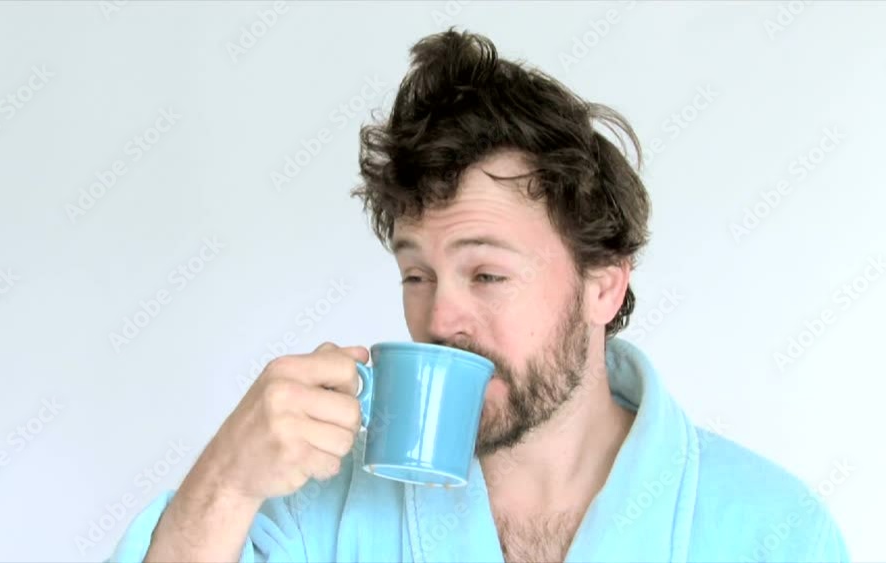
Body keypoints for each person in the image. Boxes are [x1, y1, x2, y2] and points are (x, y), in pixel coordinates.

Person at [109, 29, 849, 563]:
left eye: (487, 275)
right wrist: (226, 480)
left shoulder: (775, 531)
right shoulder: (312, 506)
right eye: (416, 275)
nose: (439, 319)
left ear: (603, 284)